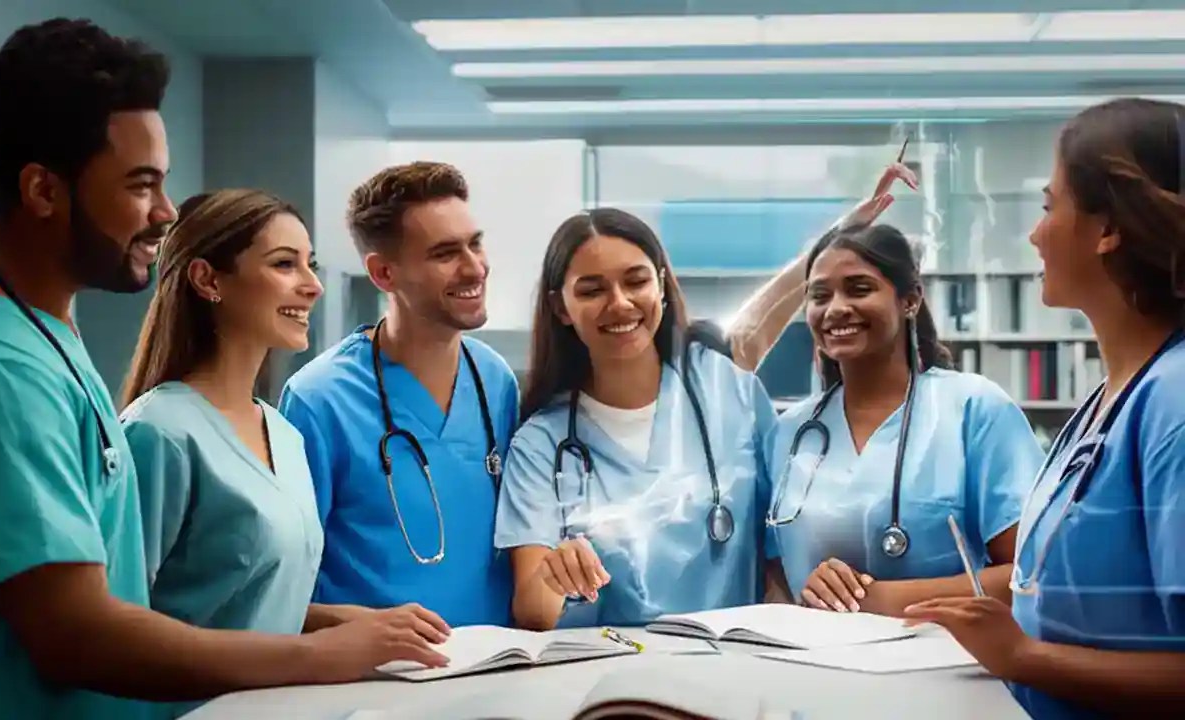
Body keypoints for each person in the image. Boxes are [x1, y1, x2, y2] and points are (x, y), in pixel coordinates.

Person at [0, 20, 443, 720]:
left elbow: (142, 595)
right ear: (43, 191)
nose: (165, 212)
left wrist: (326, 626)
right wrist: (317, 658)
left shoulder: (39, 336)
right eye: (141, 185)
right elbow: (76, 634)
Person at [492, 162, 921, 631]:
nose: (619, 303)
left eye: (635, 281)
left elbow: (783, 545)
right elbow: (531, 607)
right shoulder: (541, 443)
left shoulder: (724, 387)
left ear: (661, 283)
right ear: (561, 308)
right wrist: (556, 578)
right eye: (592, 290)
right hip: (614, 675)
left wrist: (842, 237)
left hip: (734, 661)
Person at [119, 189, 450, 717]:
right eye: (284, 264)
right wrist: (318, 652)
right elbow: (121, 635)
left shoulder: (283, 433)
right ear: (208, 280)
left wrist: (347, 622)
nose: (313, 285)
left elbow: (240, 602)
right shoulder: (159, 434)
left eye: (310, 264)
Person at [906, 97, 1185, 719]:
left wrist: (1023, 656)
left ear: (1108, 228)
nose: (1035, 233)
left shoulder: (1174, 403)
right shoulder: (1109, 400)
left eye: (1048, 206)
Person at [279, 162, 519, 627]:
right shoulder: (320, 400)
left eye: (475, 243)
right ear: (384, 273)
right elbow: (281, 592)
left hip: (494, 668)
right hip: (373, 683)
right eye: (445, 253)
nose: (475, 267)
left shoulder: (495, 379)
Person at [764, 223, 1042, 617]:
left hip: (945, 665)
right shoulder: (791, 431)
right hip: (820, 663)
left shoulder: (974, 408)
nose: (836, 308)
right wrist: (812, 590)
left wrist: (882, 599)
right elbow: (776, 573)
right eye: (819, 296)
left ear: (909, 300)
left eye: (859, 289)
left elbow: (1032, 576)